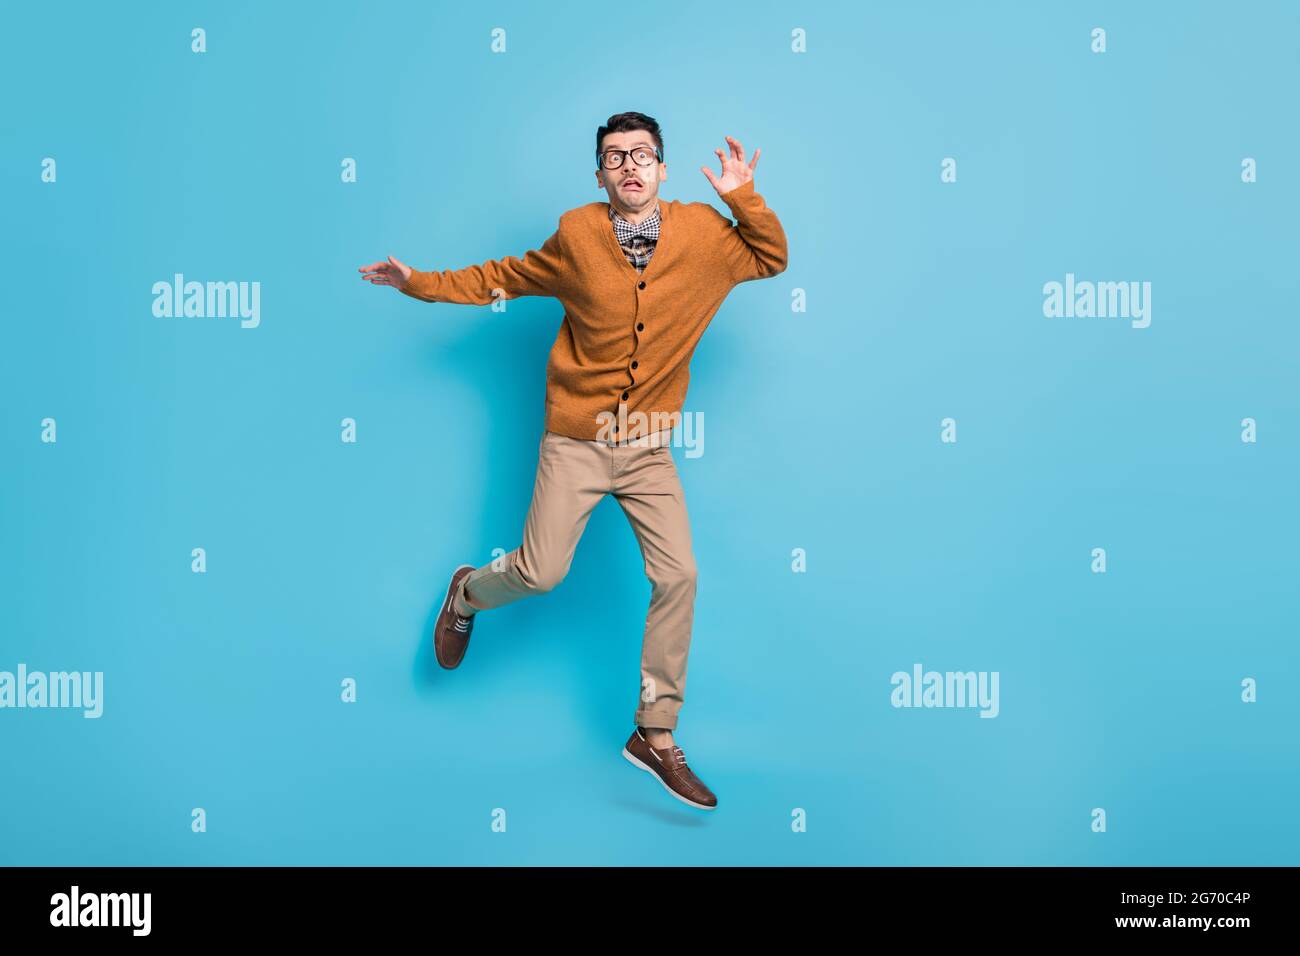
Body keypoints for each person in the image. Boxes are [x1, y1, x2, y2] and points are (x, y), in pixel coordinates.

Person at [358, 112, 788, 810]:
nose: (629, 165)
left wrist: (743, 198)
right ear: (599, 175)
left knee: (680, 574)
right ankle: (466, 591)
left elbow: (771, 256)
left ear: (663, 168)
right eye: (614, 156)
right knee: (540, 571)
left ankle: (654, 732)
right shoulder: (577, 235)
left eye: (642, 154)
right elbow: (502, 276)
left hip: (648, 446)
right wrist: (420, 283)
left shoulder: (709, 236)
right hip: (577, 439)